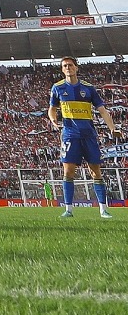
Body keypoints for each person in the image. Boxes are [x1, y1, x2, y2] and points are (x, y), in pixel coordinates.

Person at [48, 56, 121, 219]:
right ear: (62, 69)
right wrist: (53, 120)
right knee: (68, 171)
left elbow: (102, 110)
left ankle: (103, 210)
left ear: (76, 68)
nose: (68, 68)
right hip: (69, 134)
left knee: (96, 171)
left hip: (88, 134)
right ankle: (68, 210)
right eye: (65, 66)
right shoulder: (57, 88)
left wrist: (112, 128)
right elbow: (51, 109)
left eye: (70, 65)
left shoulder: (88, 88)